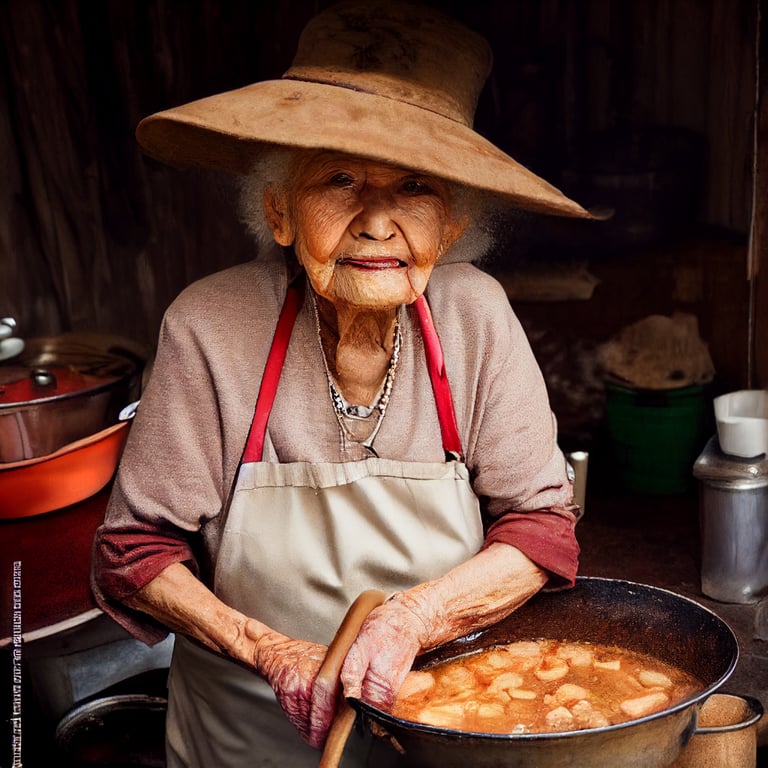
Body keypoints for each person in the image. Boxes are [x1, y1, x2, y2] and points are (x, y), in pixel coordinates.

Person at [91, 2, 593, 766]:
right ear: (280, 213)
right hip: (246, 733)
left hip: (441, 727)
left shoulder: (476, 317)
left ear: (451, 225)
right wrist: (272, 654)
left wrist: (411, 622)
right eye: (341, 178)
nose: (378, 222)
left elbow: (540, 532)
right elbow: (135, 551)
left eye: (415, 187)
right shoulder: (213, 323)